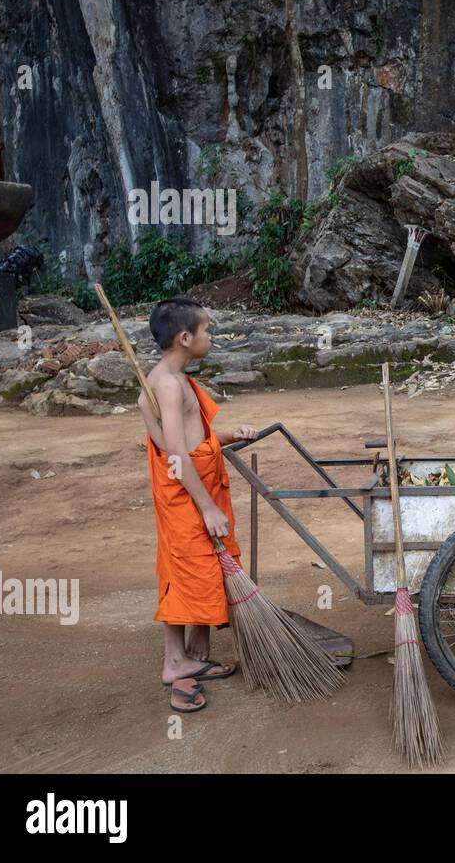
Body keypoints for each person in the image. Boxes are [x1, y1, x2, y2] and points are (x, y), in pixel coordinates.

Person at [137, 297, 257, 712]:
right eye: (206, 330)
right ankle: (175, 662)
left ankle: (185, 654)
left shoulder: (168, 379)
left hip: (188, 489)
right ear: (185, 338)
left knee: (188, 568)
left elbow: (188, 440)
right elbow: (176, 456)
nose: (211, 336)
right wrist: (207, 506)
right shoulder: (168, 385)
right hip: (187, 494)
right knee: (190, 568)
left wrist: (225, 437)